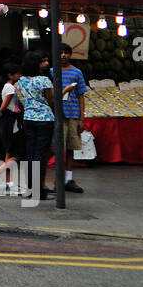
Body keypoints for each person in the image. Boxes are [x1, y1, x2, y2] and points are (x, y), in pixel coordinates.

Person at [16, 51, 56, 199]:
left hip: (28, 117)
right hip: (45, 118)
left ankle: (31, 187)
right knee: (41, 154)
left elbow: (21, 101)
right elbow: (51, 101)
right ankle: (39, 189)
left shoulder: (20, 82)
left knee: (30, 153)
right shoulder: (44, 80)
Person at [49, 44, 88, 194]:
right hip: (58, 115)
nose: (63, 55)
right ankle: (59, 179)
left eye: (66, 53)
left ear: (70, 55)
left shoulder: (77, 73)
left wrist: (81, 118)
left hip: (72, 114)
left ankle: (68, 179)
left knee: (71, 147)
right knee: (58, 147)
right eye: (61, 53)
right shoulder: (52, 72)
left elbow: (81, 96)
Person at [0, 63, 22, 192]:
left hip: (8, 121)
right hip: (10, 122)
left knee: (9, 152)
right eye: (17, 73)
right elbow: (3, 107)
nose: (20, 75)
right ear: (10, 75)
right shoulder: (11, 89)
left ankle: (9, 182)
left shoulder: (8, 87)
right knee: (17, 154)